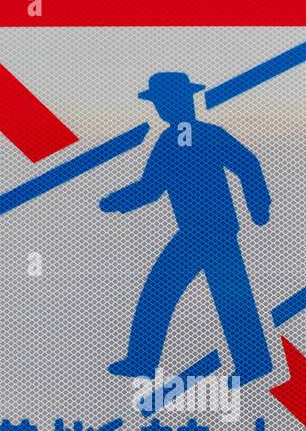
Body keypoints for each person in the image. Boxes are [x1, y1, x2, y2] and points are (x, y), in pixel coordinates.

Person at [100, 71, 273, 387]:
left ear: (181, 101)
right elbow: (152, 188)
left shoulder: (195, 136)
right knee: (220, 295)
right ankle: (251, 363)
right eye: (159, 103)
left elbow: (247, 164)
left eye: (164, 101)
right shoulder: (177, 140)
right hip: (203, 231)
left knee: (171, 291)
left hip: (211, 232)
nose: (161, 108)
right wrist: (118, 201)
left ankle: (144, 361)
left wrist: (259, 207)